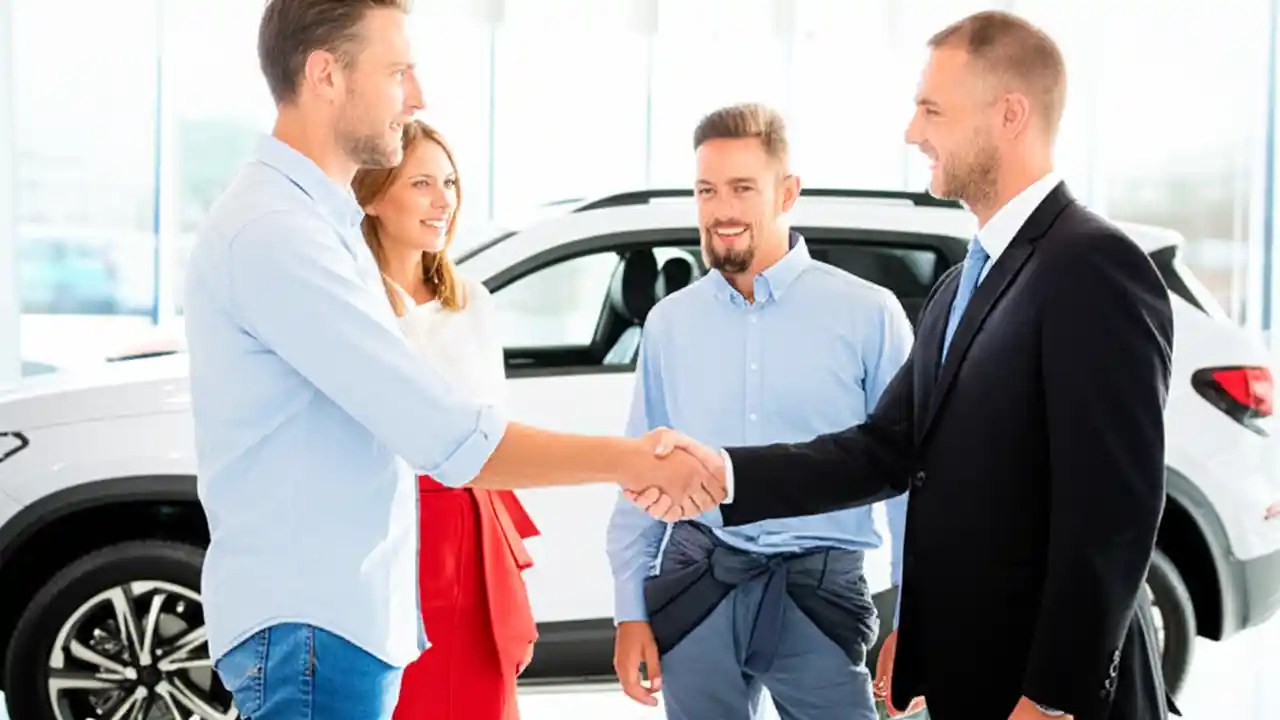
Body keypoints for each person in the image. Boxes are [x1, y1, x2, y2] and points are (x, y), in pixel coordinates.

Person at [182, 2, 721, 718]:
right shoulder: (278, 235)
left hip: (334, 623)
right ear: (326, 75)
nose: (417, 96)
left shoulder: (316, 223)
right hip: (314, 626)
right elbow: (445, 434)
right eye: (397, 71)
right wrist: (634, 462)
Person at [634, 10, 1178, 720]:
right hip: (975, 678)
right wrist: (723, 474)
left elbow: (1113, 513)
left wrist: (1050, 698)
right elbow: (886, 450)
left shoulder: (1094, 266)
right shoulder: (962, 285)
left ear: (1009, 115)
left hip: (1043, 696)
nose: (912, 132)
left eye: (931, 110)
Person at [605, 103, 912, 720]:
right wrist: (630, 611)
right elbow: (641, 471)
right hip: (698, 586)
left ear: (787, 193)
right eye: (707, 190)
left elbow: (909, 483)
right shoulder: (670, 324)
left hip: (820, 596)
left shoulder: (869, 315)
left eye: (743, 188)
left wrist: (916, 618)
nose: (722, 210)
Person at [350, 120, 535, 720]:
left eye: (450, 182)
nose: (443, 200)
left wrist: (510, 588)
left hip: (476, 535)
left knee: (482, 699)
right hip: (393, 535)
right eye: (422, 183)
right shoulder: (353, 303)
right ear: (374, 196)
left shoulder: (472, 300)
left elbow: (493, 432)